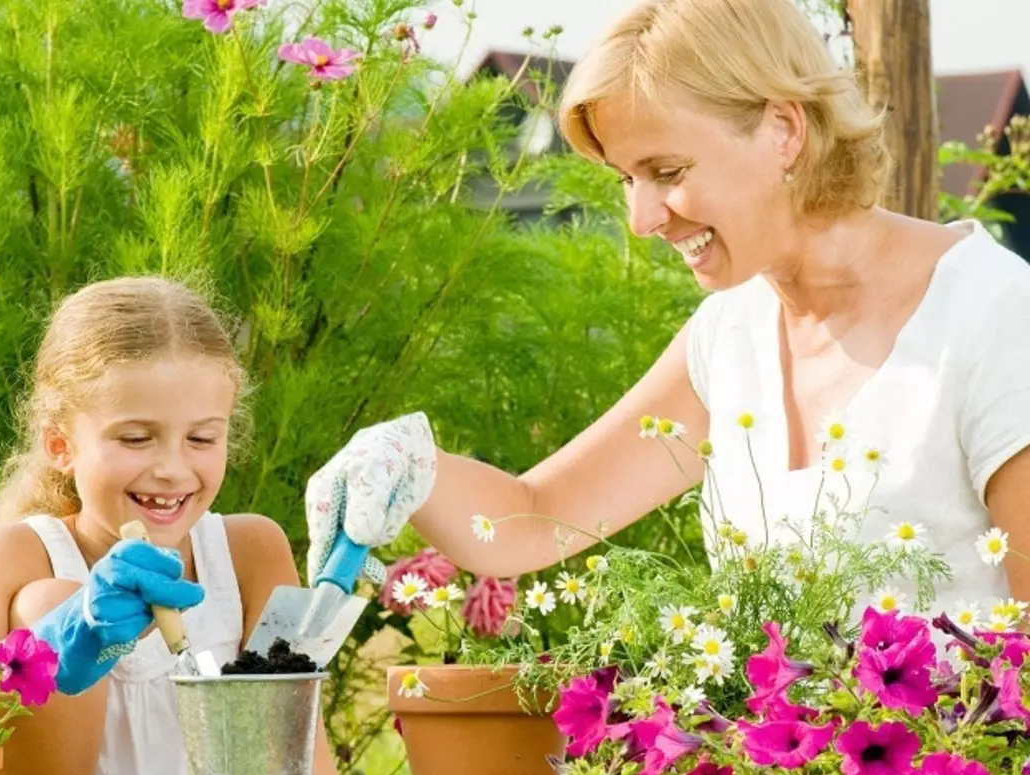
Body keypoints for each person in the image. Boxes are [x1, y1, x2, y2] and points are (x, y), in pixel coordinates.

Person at [304, 0, 1030, 623]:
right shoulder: (730, 339)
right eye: (627, 178)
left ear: (784, 130)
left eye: (667, 172)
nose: (642, 218)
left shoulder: (992, 316)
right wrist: (408, 465)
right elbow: (532, 516)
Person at [0, 277, 348, 775]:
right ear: (60, 445)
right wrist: (47, 648)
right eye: (136, 439)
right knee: (47, 598)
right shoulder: (19, 553)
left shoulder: (250, 553)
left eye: (202, 438)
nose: (171, 468)